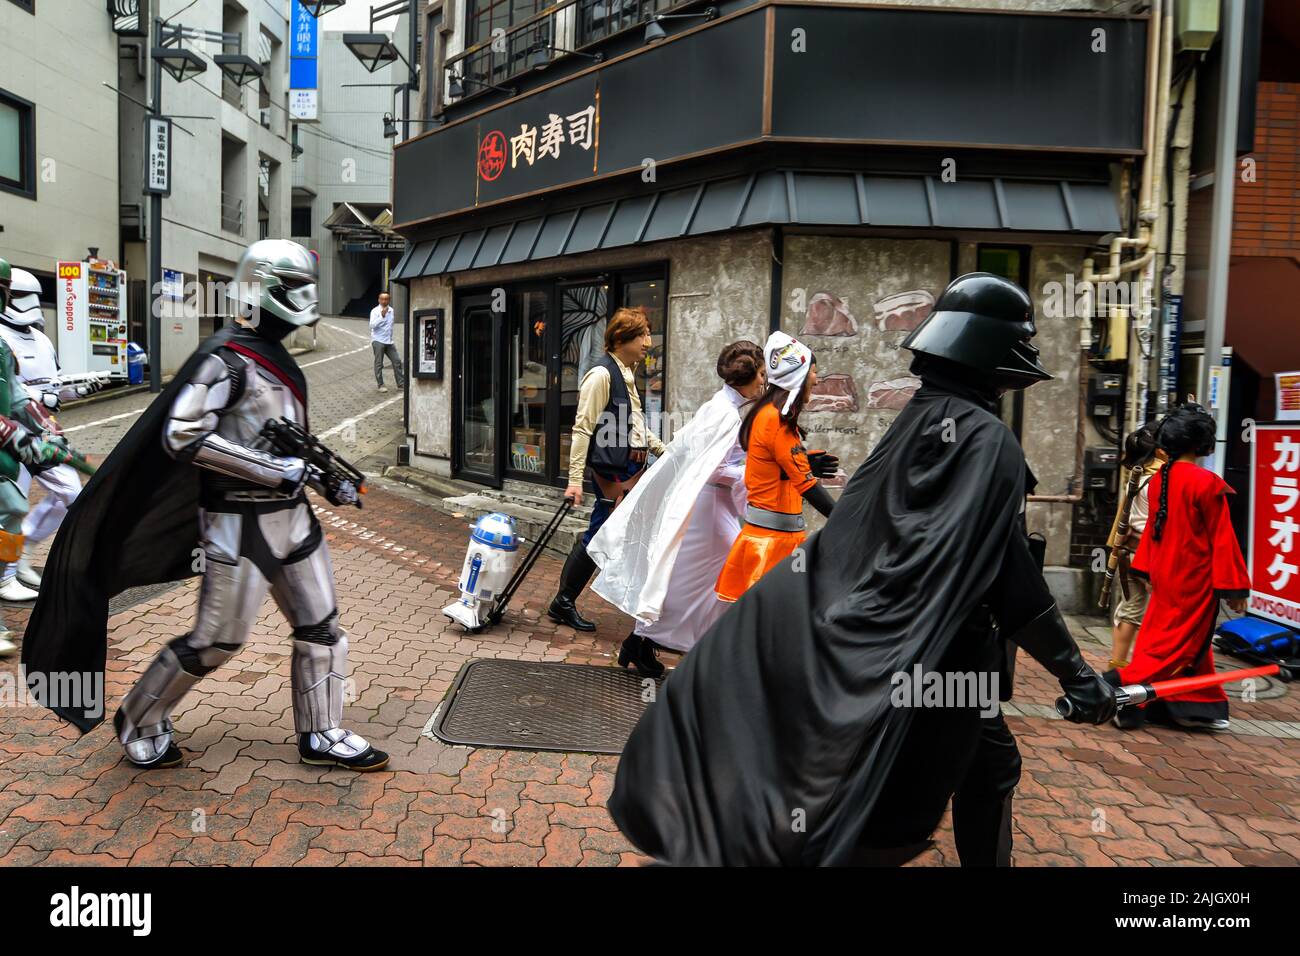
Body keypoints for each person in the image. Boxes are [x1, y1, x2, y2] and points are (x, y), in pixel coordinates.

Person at [608, 273, 1115, 866]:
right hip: (930, 648)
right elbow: (1008, 571)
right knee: (945, 777)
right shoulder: (983, 438)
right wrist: (1075, 670)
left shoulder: (924, 416)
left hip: (912, 644)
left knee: (984, 764)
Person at [23, 240, 387, 771]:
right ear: (263, 289)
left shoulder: (280, 361)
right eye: (291, 288)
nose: (302, 301)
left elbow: (295, 446)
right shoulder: (225, 360)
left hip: (293, 519)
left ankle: (322, 731)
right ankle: (139, 717)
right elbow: (182, 437)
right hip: (235, 522)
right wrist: (273, 469)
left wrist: (326, 482)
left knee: (323, 628)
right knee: (218, 642)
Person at [588, 340, 766, 677]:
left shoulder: (723, 407)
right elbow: (710, 466)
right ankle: (679, 643)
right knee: (724, 573)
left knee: (696, 579)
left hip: (714, 505)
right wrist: (753, 472)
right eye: (760, 375)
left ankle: (648, 640)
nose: (763, 381)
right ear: (745, 376)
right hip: (710, 506)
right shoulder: (725, 414)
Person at [1107, 404, 1250, 732]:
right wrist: (1235, 588)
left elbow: (1158, 532)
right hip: (1194, 579)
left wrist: (1145, 569)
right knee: (1179, 647)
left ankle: (1192, 706)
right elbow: (1223, 539)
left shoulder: (1160, 480)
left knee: (1170, 641)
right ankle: (1122, 689)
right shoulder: (1207, 482)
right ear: (1202, 443)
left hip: (1165, 574)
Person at [548, 306, 666, 632]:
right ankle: (563, 601)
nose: (648, 341)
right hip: (613, 472)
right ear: (620, 338)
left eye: (647, 334)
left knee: (611, 534)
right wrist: (573, 481)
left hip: (630, 468)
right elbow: (583, 429)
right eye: (642, 335)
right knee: (600, 534)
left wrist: (662, 451)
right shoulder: (602, 375)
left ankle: (568, 600)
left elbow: (634, 426)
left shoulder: (625, 373)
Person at [0, 267, 104, 596]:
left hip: (33, 430)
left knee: (66, 493)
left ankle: (21, 556)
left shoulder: (40, 340)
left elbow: (32, 393)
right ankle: (7, 575)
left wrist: (74, 394)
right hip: (11, 436)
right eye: (14, 295)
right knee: (12, 507)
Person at [714, 331, 837, 603]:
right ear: (798, 377)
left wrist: (800, 463)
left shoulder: (767, 413)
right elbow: (807, 485)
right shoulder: (776, 420)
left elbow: (769, 465)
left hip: (775, 537)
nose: (815, 380)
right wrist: (846, 518)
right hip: (773, 543)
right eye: (812, 373)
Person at [0, 258, 70, 656]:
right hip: (10, 441)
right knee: (9, 506)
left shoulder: (30, 342)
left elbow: (19, 394)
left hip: (25, 439)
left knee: (16, 508)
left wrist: (49, 426)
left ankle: (11, 566)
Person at [1105, 424, 1163, 671]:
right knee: (1151, 611)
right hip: (1149, 551)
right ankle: (1130, 668)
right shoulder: (1163, 477)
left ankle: (1116, 665)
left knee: (1128, 608)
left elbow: (1124, 518)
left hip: (1129, 550)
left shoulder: (1138, 473)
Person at [369, 290, 404, 393]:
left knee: (397, 361)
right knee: (379, 363)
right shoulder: (374, 311)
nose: (384, 301)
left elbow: (390, 326)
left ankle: (401, 384)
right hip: (378, 340)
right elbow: (371, 326)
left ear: (389, 300)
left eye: (386, 299)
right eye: (382, 299)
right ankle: (380, 384)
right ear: (379, 300)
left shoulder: (391, 310)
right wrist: (382, 316)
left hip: (389, 341)